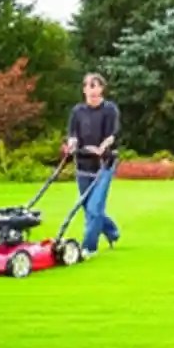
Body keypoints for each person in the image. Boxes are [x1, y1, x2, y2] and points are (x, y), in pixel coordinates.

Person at [63, 72, 121, 257]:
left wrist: (101, 148)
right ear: (84, 90)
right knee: (87, 207)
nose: (93, 92)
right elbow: (72, 134)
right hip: (83, 164)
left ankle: (89, 247)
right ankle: (112, 232)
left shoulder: (110, 109)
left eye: (97, 88)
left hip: (104, 163)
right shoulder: (77, 111)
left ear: (102, 89)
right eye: (90, 88)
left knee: (95, 208)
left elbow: (113, 134)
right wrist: (72, 144)